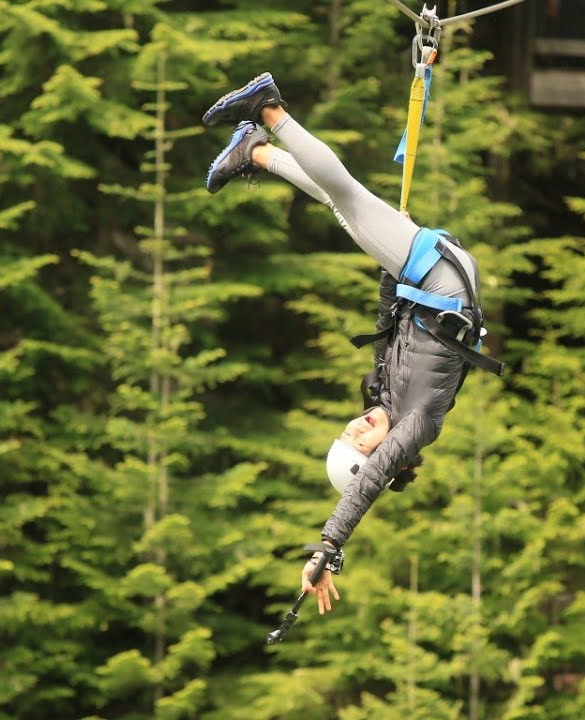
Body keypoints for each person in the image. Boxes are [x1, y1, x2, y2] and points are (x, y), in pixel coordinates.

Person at [202, 72, 502, 616]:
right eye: (363, 440)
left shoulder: (384, 395)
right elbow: (362, 491)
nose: (361, 423)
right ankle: (268, 111)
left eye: (351, 427)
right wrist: (329, 546)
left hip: (423, 273)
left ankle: (258, 154)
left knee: (343, 205)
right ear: (387, 461)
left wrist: (390, 258)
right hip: (443, 279)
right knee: (346, 196)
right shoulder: (419, 426)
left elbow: (390, 321)